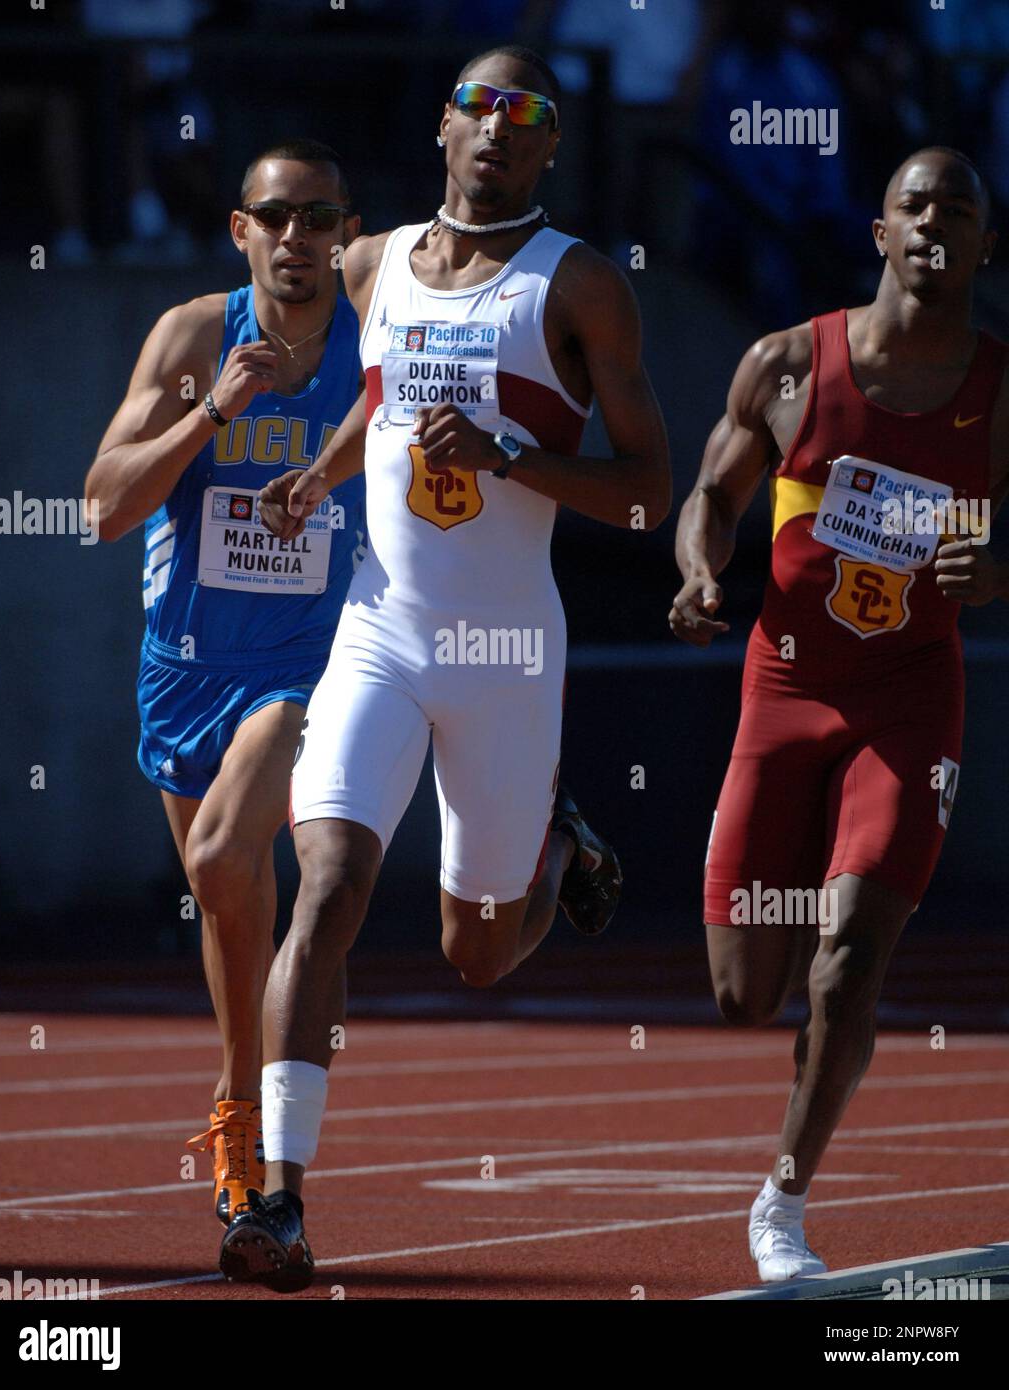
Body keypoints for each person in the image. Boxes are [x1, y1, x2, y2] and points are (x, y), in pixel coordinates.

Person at [218, 43, 670, 1290]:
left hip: (507, 648)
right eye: (480, 106)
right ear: (442, 126)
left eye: (525, 116)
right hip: (380, 628)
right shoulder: (375, 264)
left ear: (549, 145)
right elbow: (381, 387)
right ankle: (280, 1201)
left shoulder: (575, 286)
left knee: (474, 952)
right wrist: (316, 477)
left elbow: (647, 495)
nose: (498, 131)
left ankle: (559, 847)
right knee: (328, 884)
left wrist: (512, 455)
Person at [670, 147, 1007, 1282]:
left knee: (849, 957)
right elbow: (708, 498)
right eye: (912, 206)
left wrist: (999, 571)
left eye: (955, 213)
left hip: (908, 703)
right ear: (878, 232)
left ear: (980, 246)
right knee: (742, 993)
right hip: (784, 687)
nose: (930, 227)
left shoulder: (998, 393)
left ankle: (781, 1200)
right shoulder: (784, 365)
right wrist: (697, 571)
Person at [85, 140, 365, 1230]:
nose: (296, 239)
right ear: (239, 229)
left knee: (218, 855)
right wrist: (211, 414)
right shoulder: (196, 336)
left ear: (345, 233)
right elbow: (102, 508)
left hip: (306, 664)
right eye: (275, 217)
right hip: (184, 664)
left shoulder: (365, 343)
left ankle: (240, 1110)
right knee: (225, 901)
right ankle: (243, 1092)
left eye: (318, 219)